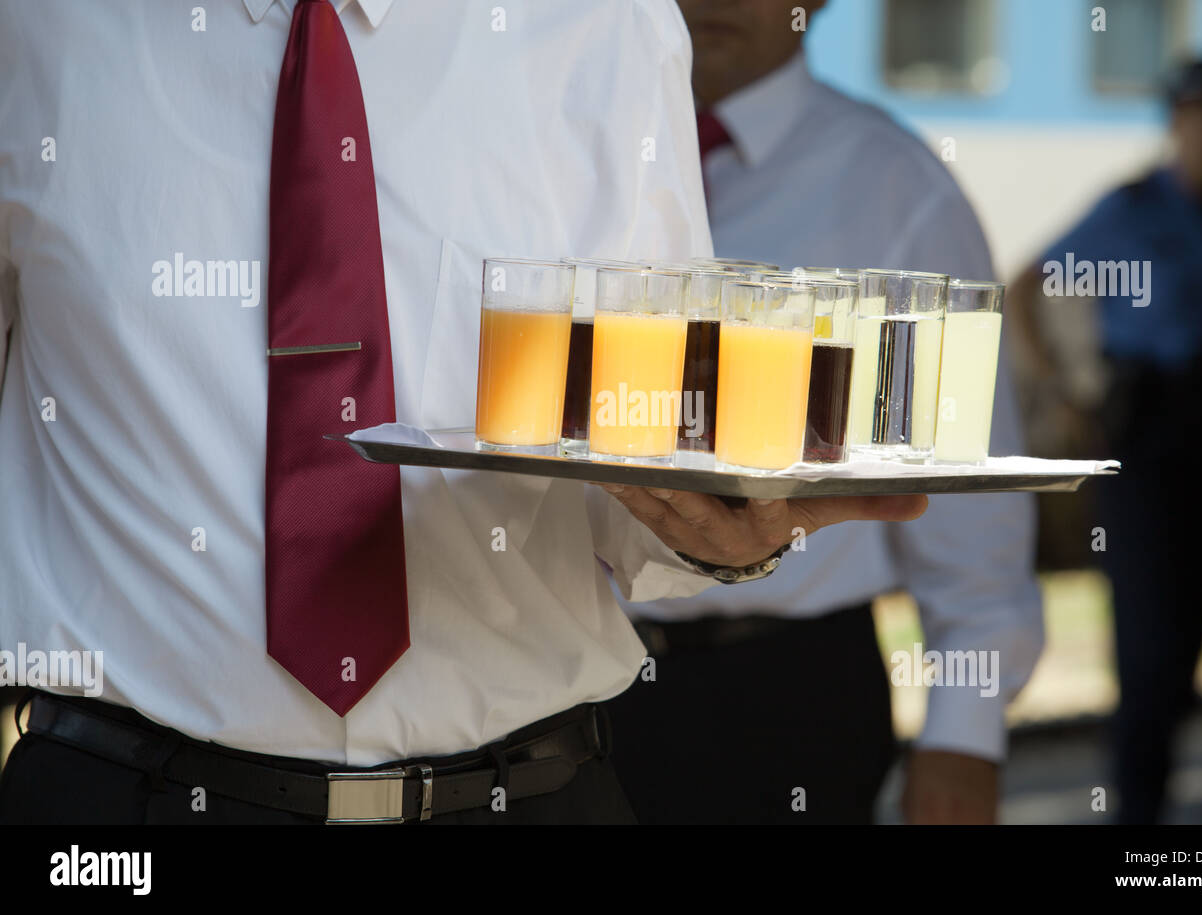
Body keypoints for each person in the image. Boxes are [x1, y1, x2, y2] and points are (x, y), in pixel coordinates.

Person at [0, 0, 925, 825]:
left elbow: (639, 443)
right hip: (120, 805)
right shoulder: (37, 29)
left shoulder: (608, 24)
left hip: (524, 797)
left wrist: (722, 529)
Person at [607, 0, 1043, 824]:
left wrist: (963, 736)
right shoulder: (556, 153)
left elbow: (969, 507)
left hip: (785, 698)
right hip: (558, 697)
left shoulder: (895, 189)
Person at [1006, 60, 1202, 824]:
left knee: (1189, 639)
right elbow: (1029, 282)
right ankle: (1138, 817)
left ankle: (1155, 796)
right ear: (1174, 121)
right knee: (1147, 638)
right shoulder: (1130, 208)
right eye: (1196, 112)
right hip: (1144, 432)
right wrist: (1060, 386)